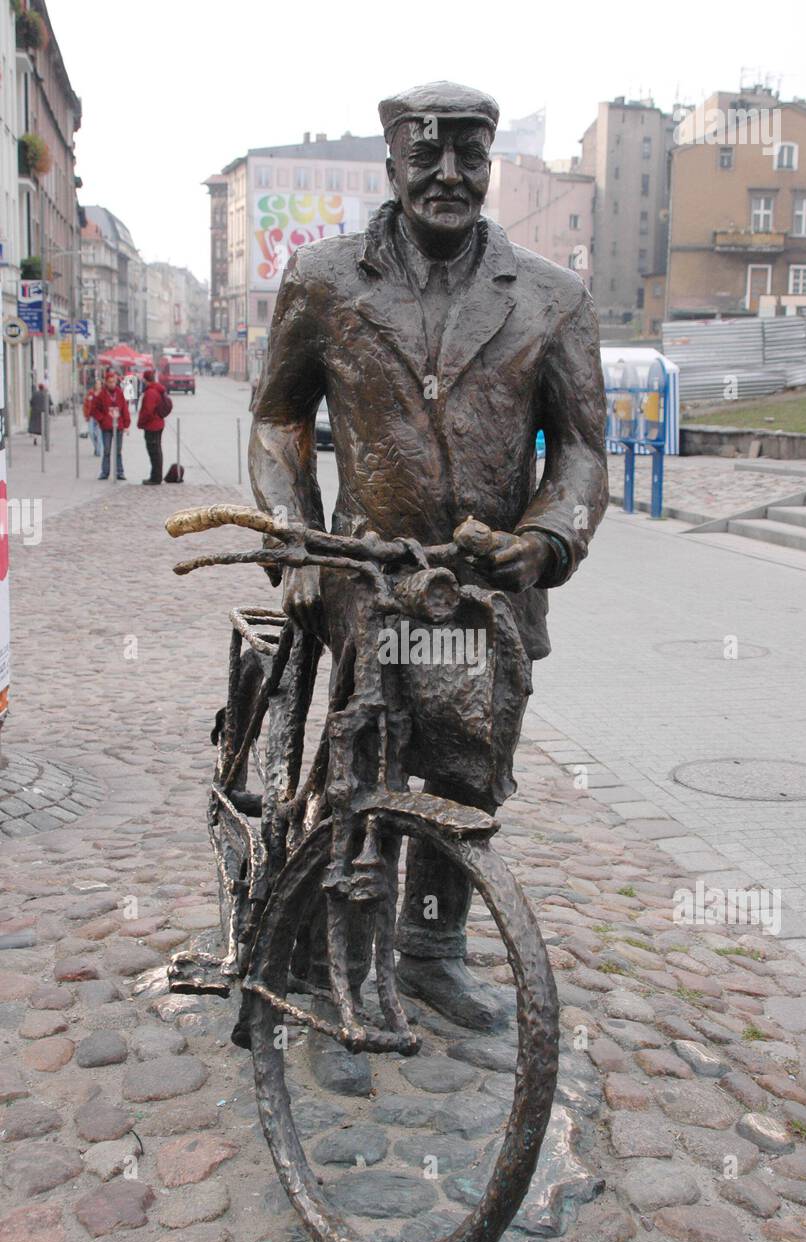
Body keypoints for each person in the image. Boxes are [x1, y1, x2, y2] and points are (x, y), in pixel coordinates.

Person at [248, 80, 607, 1074]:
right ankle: (327, 968)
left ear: (491, 161)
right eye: (428, 150)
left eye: (470, 151)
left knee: (466, 772)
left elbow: (582, 453)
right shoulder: (323, 279)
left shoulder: (550, 296)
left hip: (488, 587)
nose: (450, 171)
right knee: (355, 771)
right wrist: (296, 538)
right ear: (392, 158)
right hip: (367, 572)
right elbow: (277, 422)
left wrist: (549, 539)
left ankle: (433, 947)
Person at [92, 369, 130, 479]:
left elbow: (124, 409)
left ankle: (120, 472)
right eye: (110, 382)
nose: (112, 384)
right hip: (106, 426)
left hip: (118, 426)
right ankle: (105, 472)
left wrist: (126, 424)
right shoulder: (102, 395)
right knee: (107, 450)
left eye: (113, 381)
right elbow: (94, 409)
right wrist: (102, 419)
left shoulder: (120, 393)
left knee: (118, 451)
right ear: (106, 382)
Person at [137, 368, 168, 484]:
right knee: (157, 451)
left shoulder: (150, 392)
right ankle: (156, 476)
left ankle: (155, 477)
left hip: (152, 425)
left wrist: (140, 423)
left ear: (145, 380)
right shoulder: (156, 389)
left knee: (154, 452)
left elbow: (148, 411)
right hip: (158, 423)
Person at [82, 385, 101, 456]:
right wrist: (86, 415)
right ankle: (96, 447)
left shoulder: (103, 393)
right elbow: (85, 405)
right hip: (91, 416)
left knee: (99, 434)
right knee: (91, 433)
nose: (98, 386)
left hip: (100, 417)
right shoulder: (90, 393)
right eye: (97, 384)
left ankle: (98, 451)